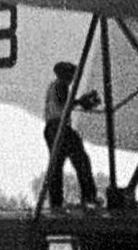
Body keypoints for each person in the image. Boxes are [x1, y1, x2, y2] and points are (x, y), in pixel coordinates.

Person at [43, 61, 101, 209]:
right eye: (71, 75)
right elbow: (65, 102)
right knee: (81, 160)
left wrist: (80, 102)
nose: (73, 79)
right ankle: (89, 197)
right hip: (60, 127)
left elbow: (64, 103)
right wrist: (82, 102)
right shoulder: (61, 85)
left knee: (56, 165)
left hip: (51, 128)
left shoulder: (54, 86)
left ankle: (56, 202)